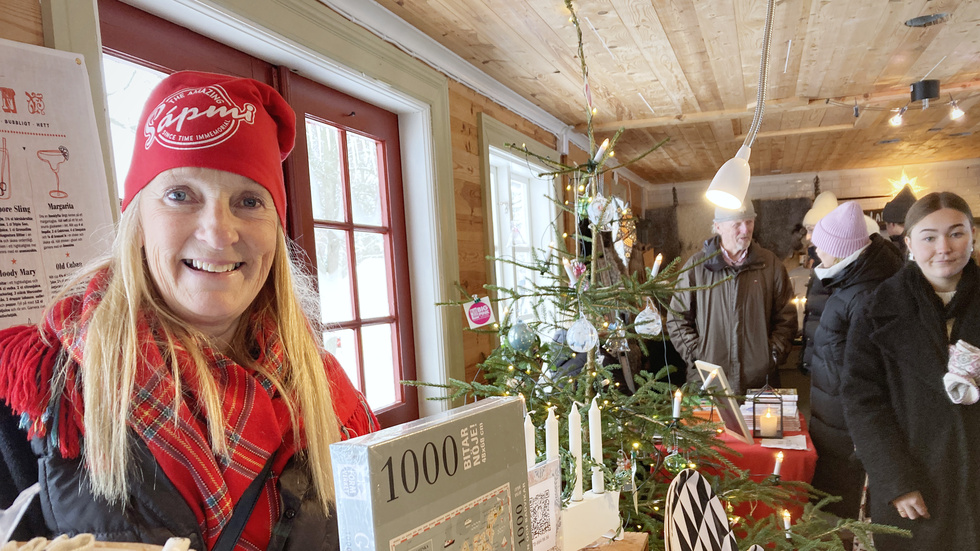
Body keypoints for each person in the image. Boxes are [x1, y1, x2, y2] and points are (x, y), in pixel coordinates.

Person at [0, 71, 377, 551]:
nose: (218, 233)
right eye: (181, 195)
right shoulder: (37, 391)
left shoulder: (330, 393)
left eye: (248, 201)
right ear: (138, 222)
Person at [842, 192, 980, 550]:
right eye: (929, 237)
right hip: (916, 481)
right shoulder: (878, 308)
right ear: (909, 244)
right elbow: (863, 402)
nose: (944, 247)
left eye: (956, 233)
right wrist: (896, 480)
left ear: (973, 235)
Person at [806, 201, 903, 520]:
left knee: (844, 513)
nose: (815, 248)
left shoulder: (863, 294)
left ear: (840, 249)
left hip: (847, 423)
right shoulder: (852, 282)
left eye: (821, 243)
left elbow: (868, 370)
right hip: (835, 415)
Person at [666, 202, 797, 394]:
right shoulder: (696, 266)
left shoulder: (771, 265)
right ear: (718, 226)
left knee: (760, 426)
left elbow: (787, 317)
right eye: (737, 224)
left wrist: (772, 355)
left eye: (749, 222)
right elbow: (677, 318)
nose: (745, 230)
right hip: (709, 381)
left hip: (760, 382)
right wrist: (698, 356)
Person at [797, 191, 838, 375]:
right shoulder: (820, 268)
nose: (807, 237)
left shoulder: (841, 271)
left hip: (833, 368)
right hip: (821, 365)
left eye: (811, 230)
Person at [881, 184, 916, 259]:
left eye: (886, 225)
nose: (887, 230)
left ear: (892, 224)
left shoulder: (900, 247)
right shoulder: (920, 239)